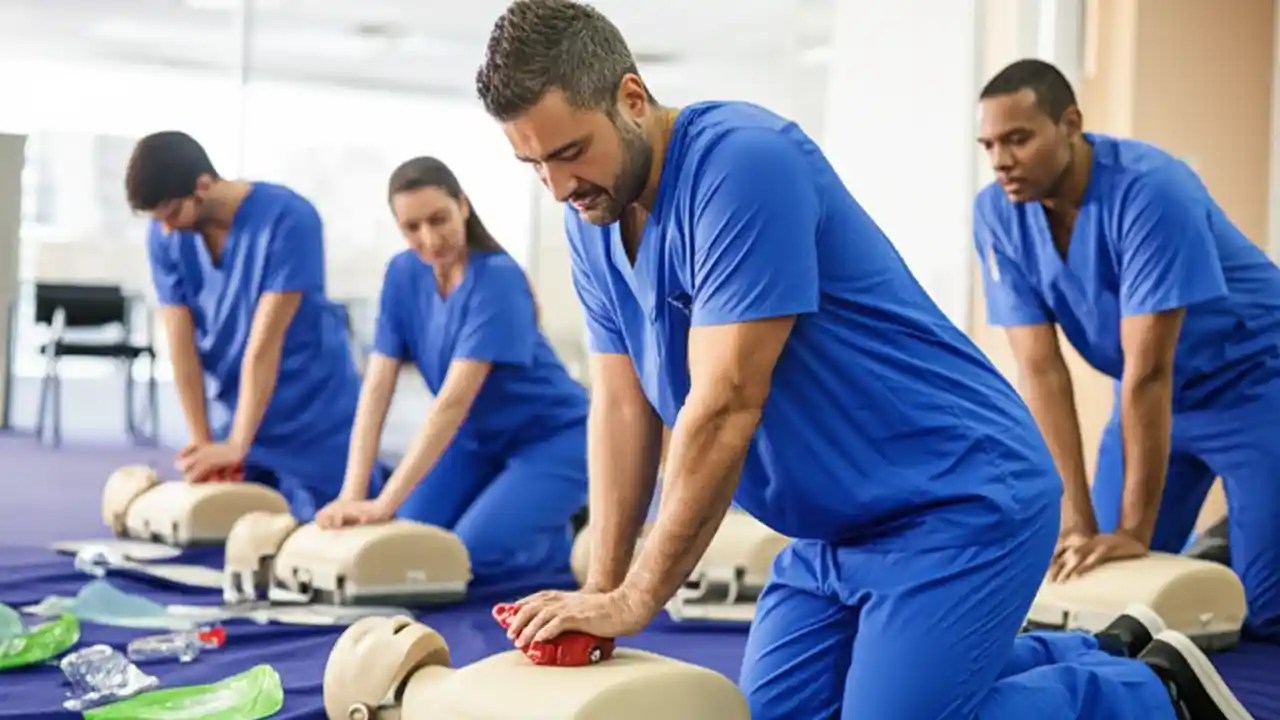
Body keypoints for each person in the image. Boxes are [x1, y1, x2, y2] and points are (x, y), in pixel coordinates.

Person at [470, 2, 1254, 719]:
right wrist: (600, 592)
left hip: (956, 501)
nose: (558, 185)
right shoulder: (592, 217)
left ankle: (1146, 689)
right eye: (533, 166)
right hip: (830, 535)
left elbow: (726, 401)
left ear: (632, 99)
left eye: (571, 152)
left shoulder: (741, 163)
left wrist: (639, 595)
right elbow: (622, 408)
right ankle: (1087, 648)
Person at [973, 58, 1280, 642]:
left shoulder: (1151, 190)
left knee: (1264, 611)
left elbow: (1150, 371)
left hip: (1257, 382)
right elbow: (1040, 372)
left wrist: (1135, 529)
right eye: (988, 144)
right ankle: (1217, 543)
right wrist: (1075, 518)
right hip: (1154, 398)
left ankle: (1226, 544)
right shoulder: (997, 214)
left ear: (1070, 124)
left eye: (1018, 139)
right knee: (1101, 580)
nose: (1001, 161)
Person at [313, 157, 589, 586]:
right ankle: (525, 512)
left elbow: (452, 403)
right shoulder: (402, 274)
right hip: (476, 443)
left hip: (556, 438)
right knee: (411, 543)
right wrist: (354, 494)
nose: (429, 237)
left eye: (439, 219)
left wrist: (383, 502)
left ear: (463, 205)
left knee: (466, 556)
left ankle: (562, 532)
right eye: (412, 227)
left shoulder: (497, 278)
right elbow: (377, 388)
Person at [127, 131, 382, 521]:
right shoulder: (166, 236)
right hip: (242, 408)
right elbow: (181, 346)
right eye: (157, 220)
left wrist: (237, 445)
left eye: (172, 213)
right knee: (234, 532)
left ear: (203, 185)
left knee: (329, 529)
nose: (166, 229)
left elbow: (265, 344)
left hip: (315, 409)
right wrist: (204, 443)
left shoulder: (290, 219)